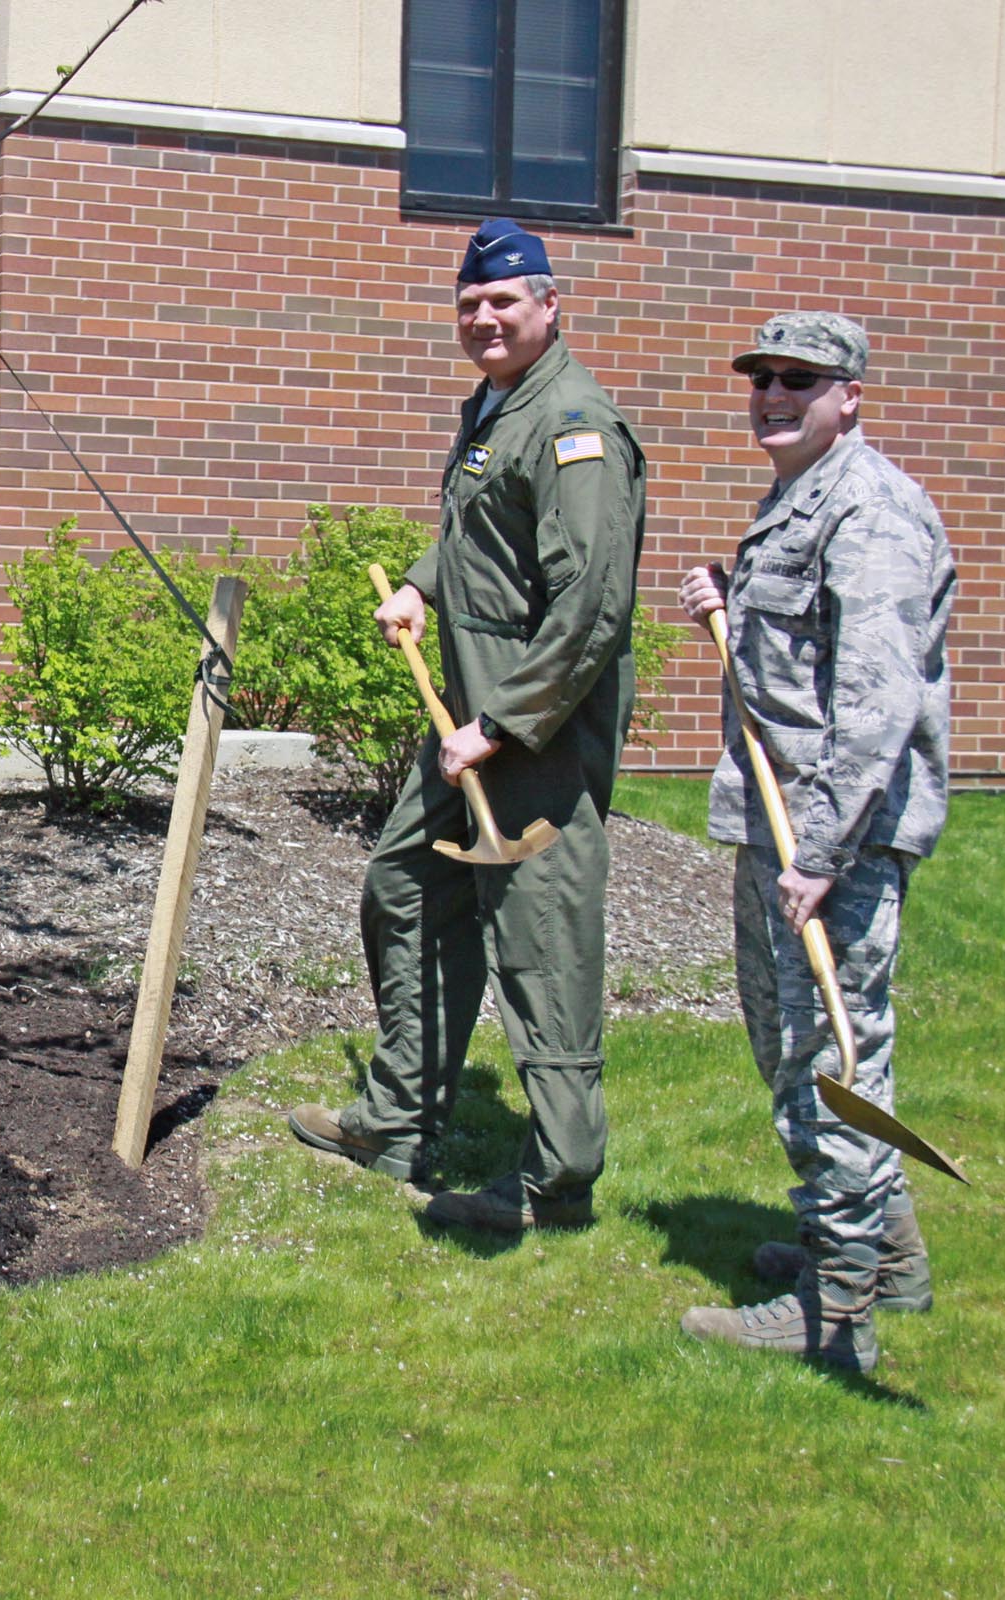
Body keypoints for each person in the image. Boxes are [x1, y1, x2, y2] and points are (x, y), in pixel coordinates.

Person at [288, 218, 646, 1233]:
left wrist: (501, 721)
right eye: (469, 305)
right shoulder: (499, 409)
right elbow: (483, 540)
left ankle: (559, 1179)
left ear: (550, 303)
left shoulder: (576, 426)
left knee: (543, 946)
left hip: (534, 738)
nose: (484, 319)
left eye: (505, 302)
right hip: (467, 729)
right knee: (403, 886)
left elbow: (590, 607)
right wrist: (419, 585)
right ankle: (398, 1118)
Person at [676, 312, 953, 1373]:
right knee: (792, 1048)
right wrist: (729, 597)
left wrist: (824, 848)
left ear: (850, 395)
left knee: (829, 1055)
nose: (774, 394)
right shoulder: (803, 497)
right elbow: (799, 654)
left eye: (801, 379)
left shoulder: (872, 512)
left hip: (834, 840)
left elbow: (875, 702)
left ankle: (835, 1311)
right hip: (783, 823)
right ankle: (888, 1255)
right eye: (763, 378)